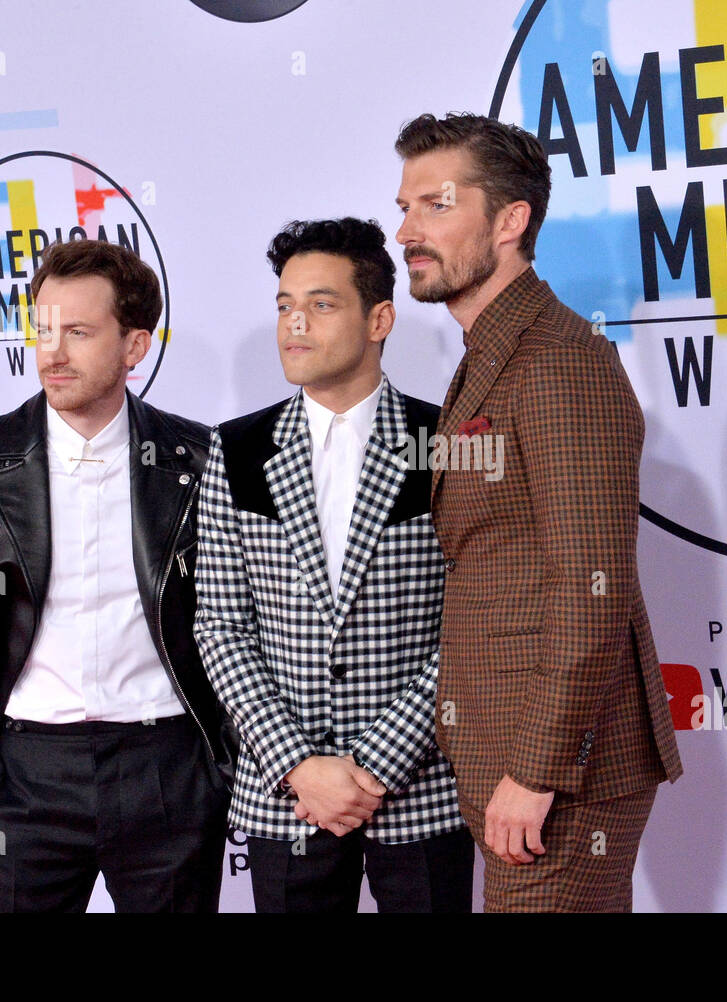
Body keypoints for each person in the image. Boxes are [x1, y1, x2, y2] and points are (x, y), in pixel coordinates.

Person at [393, 112, 683, 912]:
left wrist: (537, 769)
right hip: (509, 755)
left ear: (511, 221)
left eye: (435, 206)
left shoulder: (558, 363)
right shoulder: (490, 353)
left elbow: (590, 585)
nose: (407, 231)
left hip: (562, 773)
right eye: (405, 208)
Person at [0, 238, 233, 912]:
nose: (52, 353)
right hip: (25, 780)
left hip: (167, 772)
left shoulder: (199, 462)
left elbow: (240, 623)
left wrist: (216, 772)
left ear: (135, 346)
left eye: (79, 333)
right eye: (45, 329)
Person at [193, 217, 472, 913]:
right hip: (287, 799)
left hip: (422, 788)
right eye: (285, 306)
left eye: (320, 305)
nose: (295, 324)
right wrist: (296, 765)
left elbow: (474, 625)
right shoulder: (236, 449)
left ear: (380, 319)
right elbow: (221, 627)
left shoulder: (446, 442)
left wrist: (376, 765)